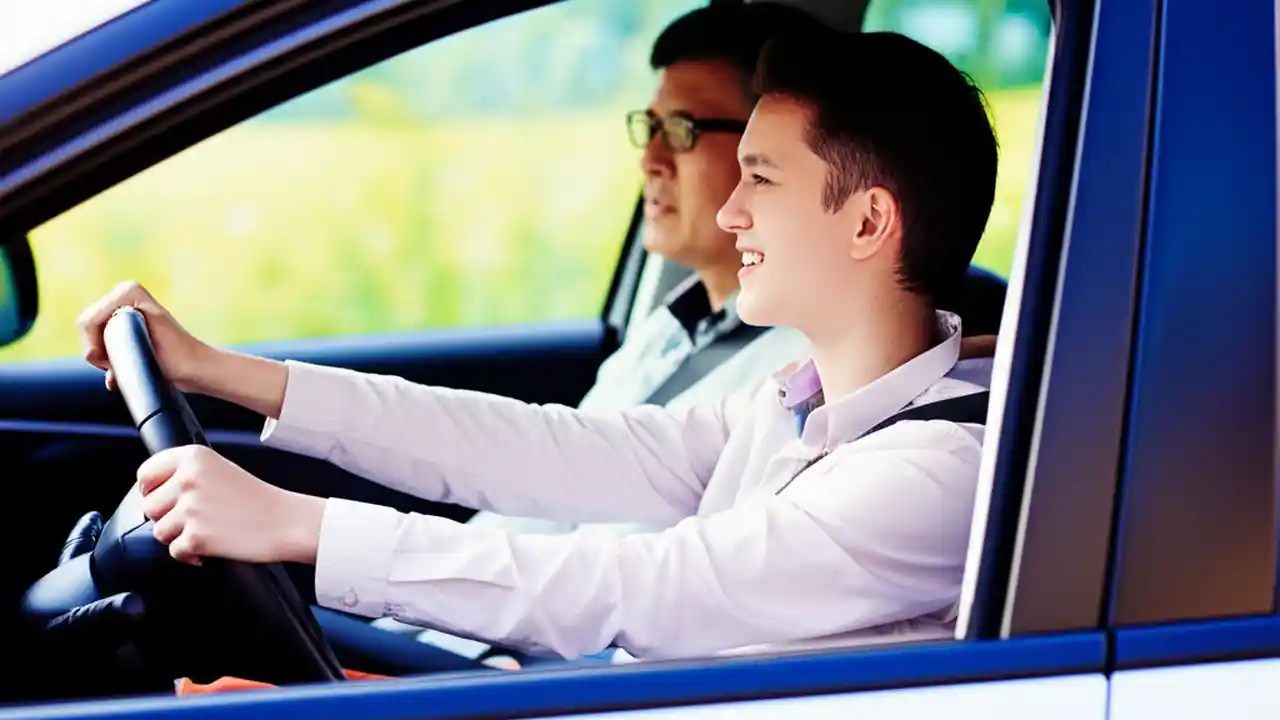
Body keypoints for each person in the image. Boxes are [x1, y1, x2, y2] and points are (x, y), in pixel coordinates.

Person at [78, 25, 1000, 663]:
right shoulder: (792, 406)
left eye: (760, 178)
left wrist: (299, 525)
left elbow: (645, 588)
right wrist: (224, 372)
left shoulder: (934, 471)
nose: (729, 210)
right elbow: (540, 445)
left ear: (869, 221)